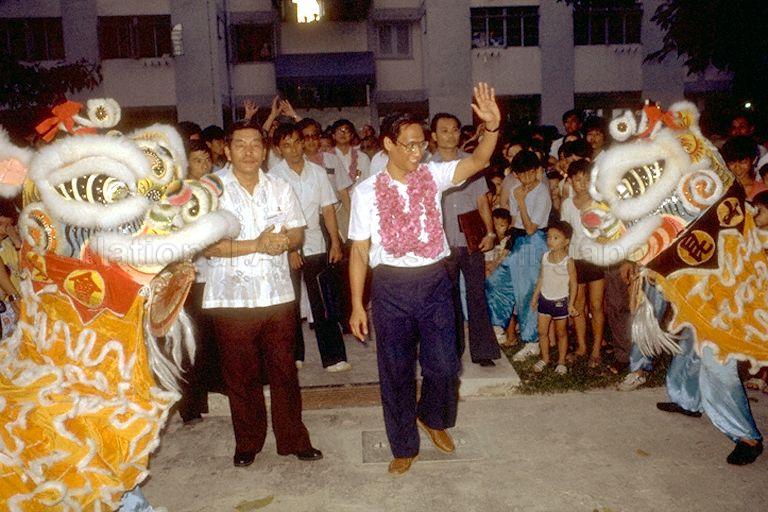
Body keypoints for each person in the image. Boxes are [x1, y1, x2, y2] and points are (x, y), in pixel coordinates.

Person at [348, 83, 501, 475]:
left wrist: (492, 127)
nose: (419, 152)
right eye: (410, 145)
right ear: (388, 145)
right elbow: (360, 251)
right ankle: (403, 444)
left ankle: (432, 417)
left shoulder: (433, 176)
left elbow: (479, 160)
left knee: (446, 365)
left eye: (421, 145)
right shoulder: (366, 192)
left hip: (435, 282)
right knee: (396, 370)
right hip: (391, 287)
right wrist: (355, 305)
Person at [203, 120, 322, 467]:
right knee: (241, 377)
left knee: (285, 371)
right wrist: (255, 245)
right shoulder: (211, 190)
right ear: (227, 150)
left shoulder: (280, 186)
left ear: (265, 150)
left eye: (256, 144)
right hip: (231, 299)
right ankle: (248, 442)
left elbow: (299, 230)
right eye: (240, 144)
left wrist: (286, 241)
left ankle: (293, 439)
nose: (249, 151)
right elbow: (208, 247)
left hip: (277, 295)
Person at [269, 123, 350, 372]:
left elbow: (327, 208)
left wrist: (335, 242)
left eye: (296, 142)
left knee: (323, 301)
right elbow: (275, 216)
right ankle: (294, 355)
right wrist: (292, 250)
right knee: (289, 304)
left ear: (303, 143)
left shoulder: (317, 172)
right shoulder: (274, 176)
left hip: (316, 243)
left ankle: (334, 357)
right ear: (278, 149)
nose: (293, 148)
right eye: (286, 145)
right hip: (286, 247)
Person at [430, 112, 501, 367]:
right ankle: (452, 349)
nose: (452, 134)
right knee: (447, 300)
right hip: (443, 244)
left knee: (477, 294)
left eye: (456, 129)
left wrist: (490, 233)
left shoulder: (472, 162)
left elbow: (483, 200)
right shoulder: (428, 167)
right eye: (445, 130)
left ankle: (483, 352)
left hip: (472, 240)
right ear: (434, 136)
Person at [177, 140, 223, 425]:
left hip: (216, 276)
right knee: (190, 342)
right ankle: (191, 404)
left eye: (207, 159)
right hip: (190, 278)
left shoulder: (216, 191)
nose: (205, 165)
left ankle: (215, 390)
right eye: (197, 160)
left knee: (215, 338)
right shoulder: (179, 198)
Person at [504, 151, 552, 362]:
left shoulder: (542, 192)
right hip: (519, 242)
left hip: (535, 243)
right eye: (521, 175)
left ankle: (532, 340)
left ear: (536, 171)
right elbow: (516, 223)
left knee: (530, 292)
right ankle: (503, 327)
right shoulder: (515, 190)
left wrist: (522, 202)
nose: (526, 179)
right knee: (509, 286)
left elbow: (532, 227)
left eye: (530, 173)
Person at [560, 160, 605, 367]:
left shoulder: (600, 202)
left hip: (595, 258)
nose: (583, 184)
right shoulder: (567, 204)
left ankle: (596, 350)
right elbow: (565, 233)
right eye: (578, 180)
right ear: (570, 181)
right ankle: (582, 347)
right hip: (575, 259)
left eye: (587, 180)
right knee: (578, 304)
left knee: (596, 305)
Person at [530, 220, 578, 374]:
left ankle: (562, 361)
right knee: (542, 331)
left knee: (561, 332)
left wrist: (570, 304)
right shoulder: (545, 257)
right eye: (549, 237)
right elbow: (541, 278)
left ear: (566, 242)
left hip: (560, 301)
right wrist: (535, 296)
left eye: (556, 238)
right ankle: (545, 358)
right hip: (545, 299)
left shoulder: (568, 262)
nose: (550, 241)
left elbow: (574, 283)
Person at [721, 136, 766, 200]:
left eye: (742, 162)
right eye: (732, 163)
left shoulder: (762, 189)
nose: (737, 168)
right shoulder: (722, 189)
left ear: (754, 160)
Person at [331, 119, 371, 189]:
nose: (343, 133)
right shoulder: (327, 158)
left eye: (346, 131)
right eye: (339, 130)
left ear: (352, 135)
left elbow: (368, 182)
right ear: (333, 135)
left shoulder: (363, 158)